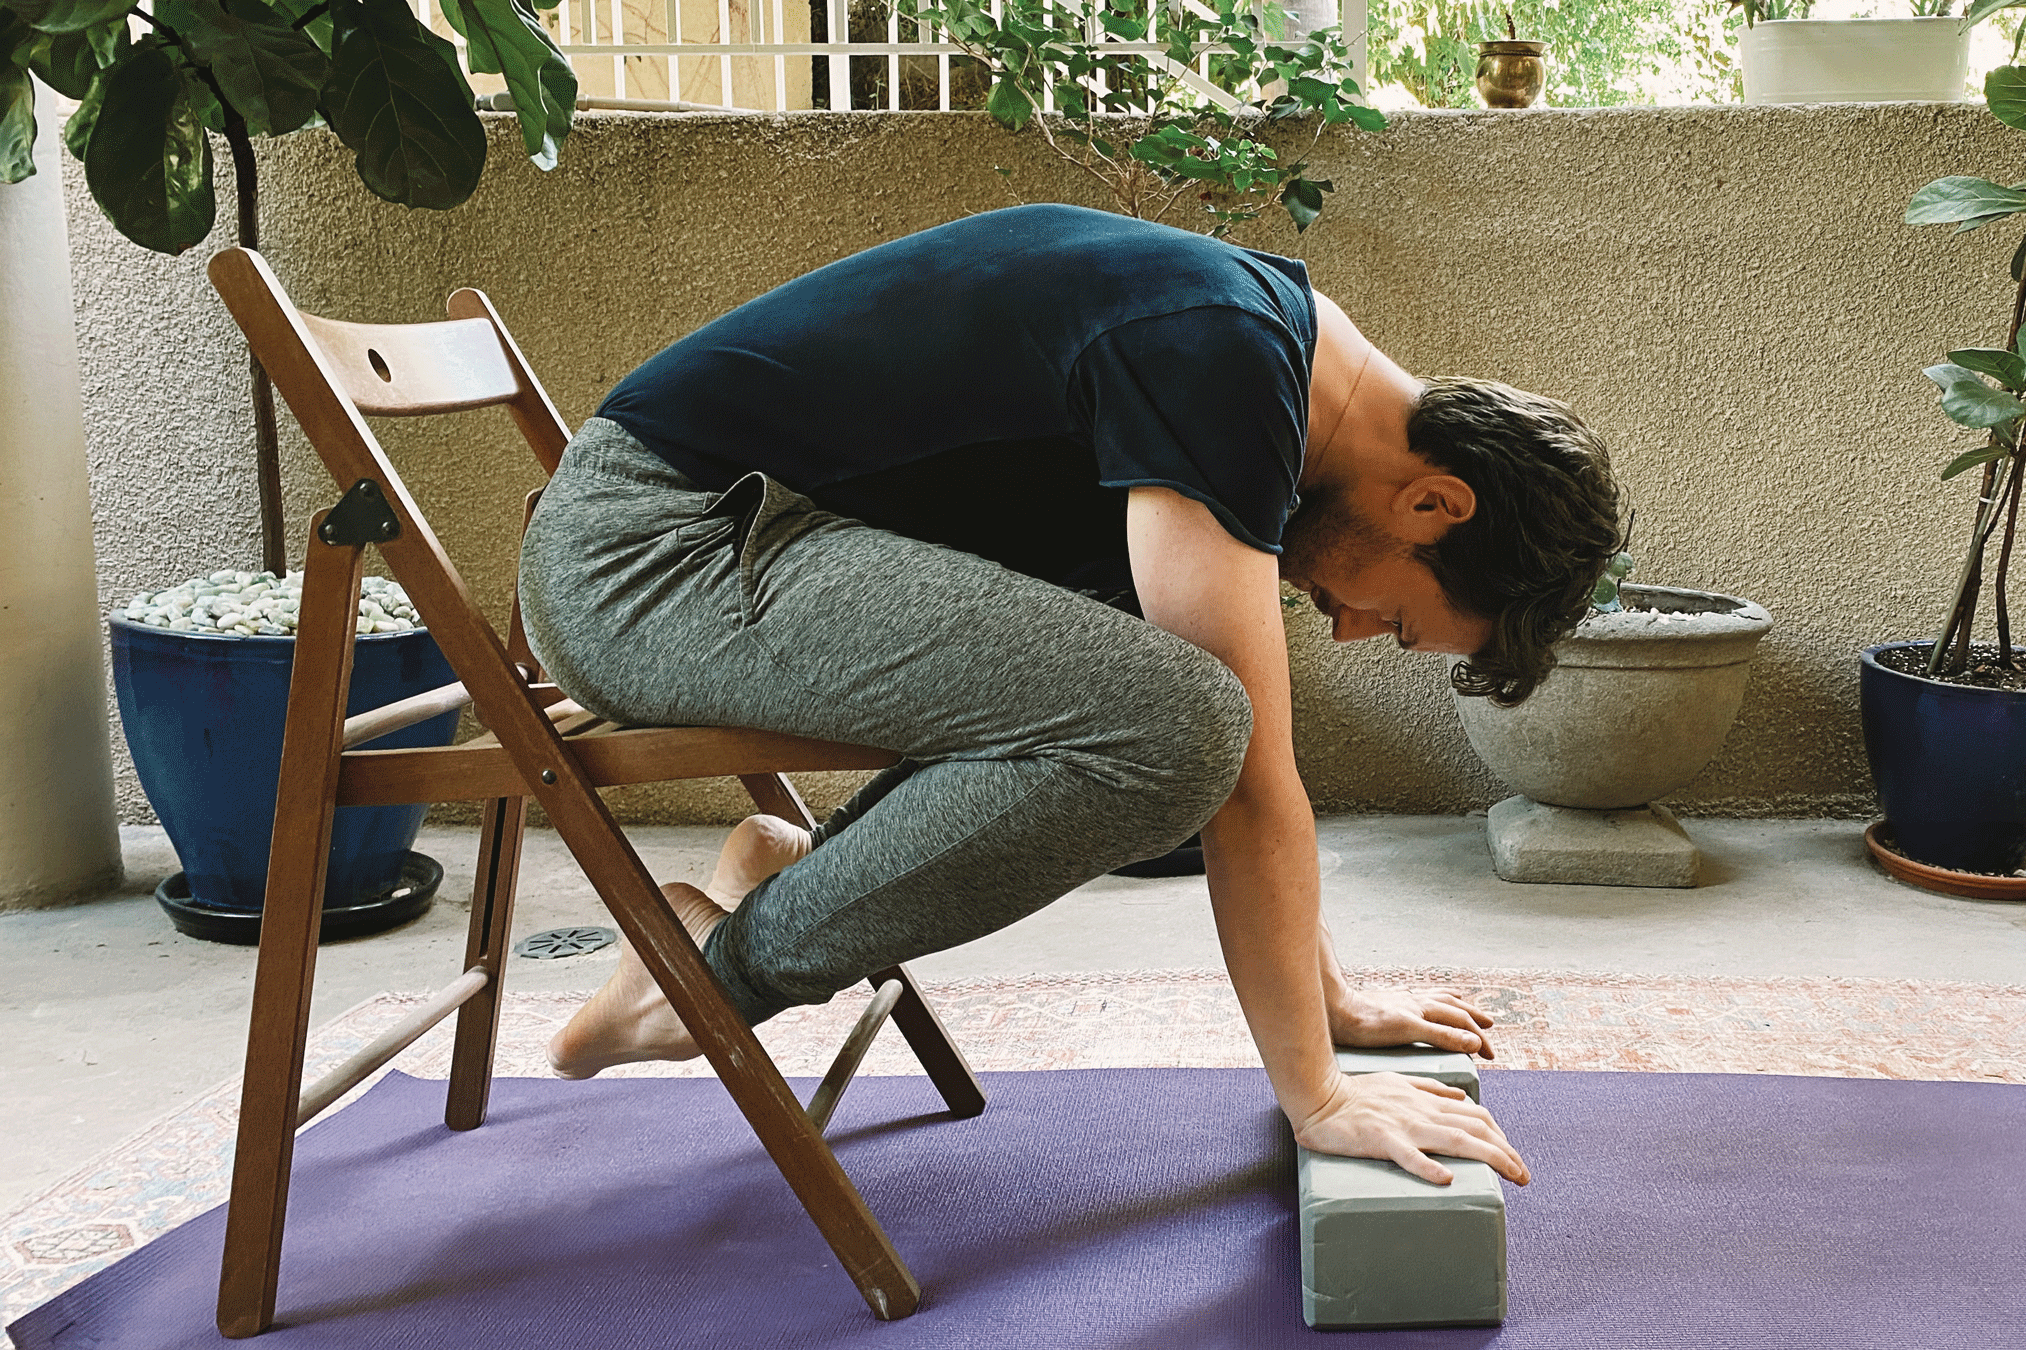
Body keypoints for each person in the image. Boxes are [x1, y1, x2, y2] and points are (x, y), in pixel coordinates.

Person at [518, 203, 1622, 1188]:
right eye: (1397, 617)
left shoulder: (1266, 349)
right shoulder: (1222, 357)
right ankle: (696, 979)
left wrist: (1332, 1008)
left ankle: (792, 874)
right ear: (1436, 502)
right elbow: (1242, 772)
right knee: (1180, 727)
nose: (1346, 627)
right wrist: (1320, 1095)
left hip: (746, 537)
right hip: (654, 553)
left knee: (1165, 692)